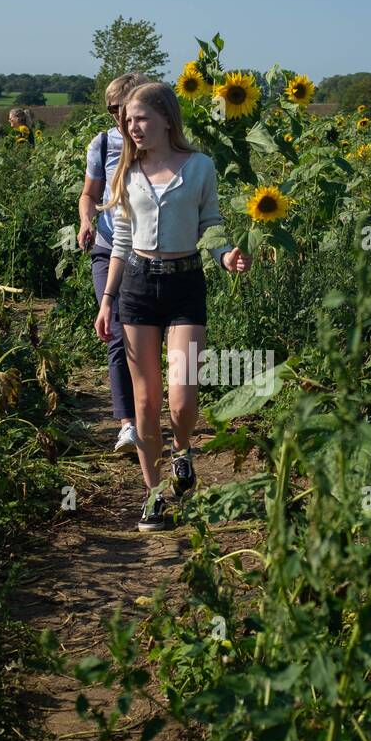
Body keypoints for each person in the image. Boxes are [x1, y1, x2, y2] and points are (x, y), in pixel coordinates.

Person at [94, 82, 251, 531]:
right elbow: (121, 241)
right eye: (127, 121)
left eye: (140, 118)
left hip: (185, 285)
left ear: (167, 118)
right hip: (138, 289)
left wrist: (225, 256)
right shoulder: (127, 171)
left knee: (182, 397)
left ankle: (183, 450)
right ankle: (154, 494)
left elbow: (211, 223)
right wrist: (108, 302)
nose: (132, 127)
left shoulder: (200, 166)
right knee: (145, 402)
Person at [79, 74, 150, 455]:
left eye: (119, 108)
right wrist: (86, 220)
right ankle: (128, 423)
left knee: (149, 334)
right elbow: (89, 194)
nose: (115, 117)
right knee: (117, 332)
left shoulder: (156, 142)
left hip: (150, 250)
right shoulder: (102, 143)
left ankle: (153, 411)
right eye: (109, 109)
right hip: (108, 246)